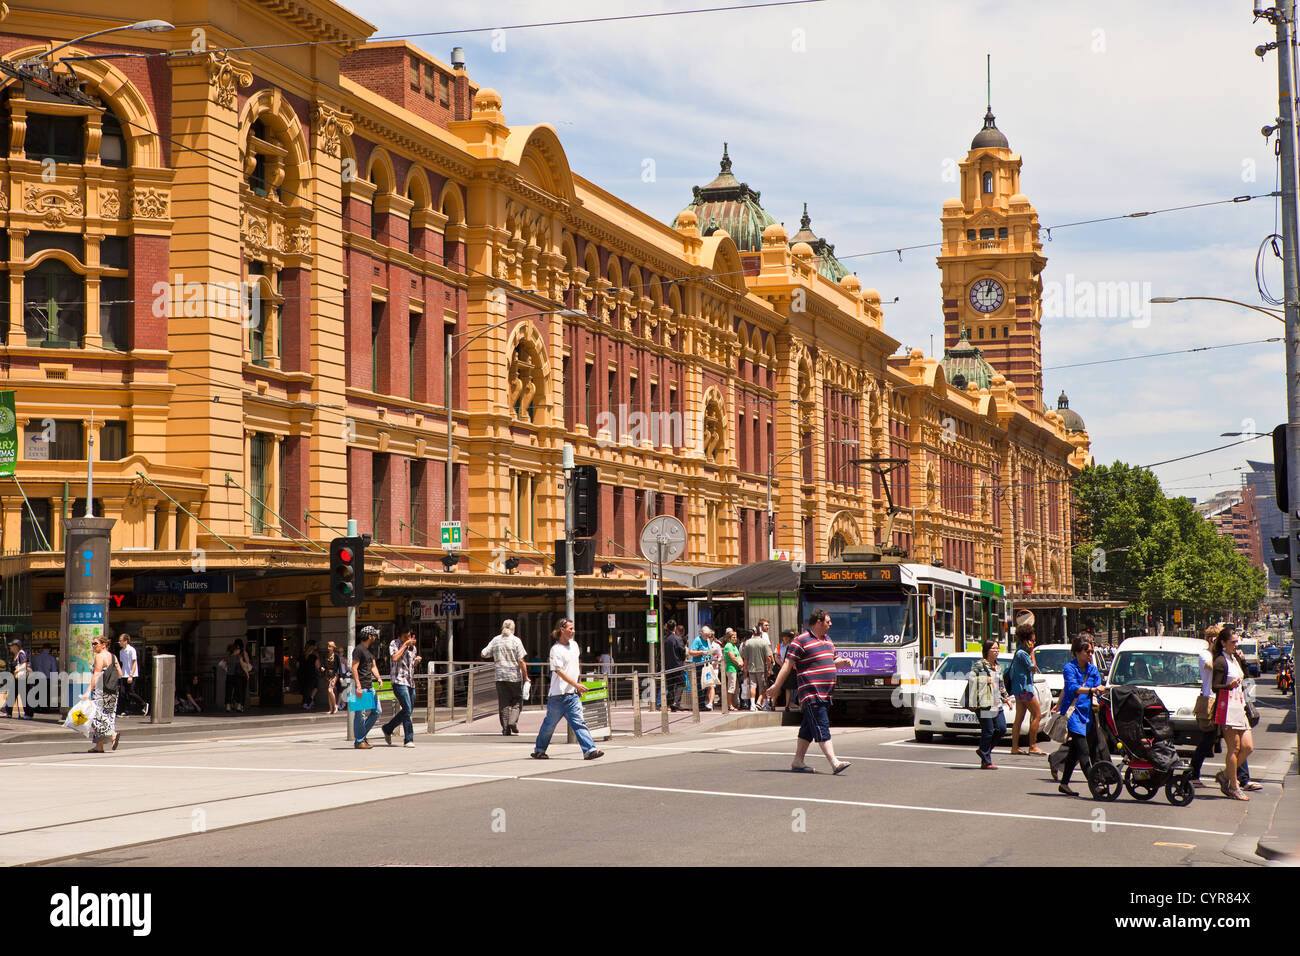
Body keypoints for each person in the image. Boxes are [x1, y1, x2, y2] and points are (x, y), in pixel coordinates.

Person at [765, 609, 852, 774]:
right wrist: (777, 686)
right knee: (821, 725)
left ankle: (798, 761)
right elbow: (787, 665)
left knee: (808, 727)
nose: (831, 624)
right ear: (818, 622)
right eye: (828, 621)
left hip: (826, 693)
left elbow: (834, 660)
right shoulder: (800, 641)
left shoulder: (828, 640)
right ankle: (834, 762)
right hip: (812, 693)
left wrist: (843, 662)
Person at [1191, 624, 1262, 792]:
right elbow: (1212, 668)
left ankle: (1241, 778)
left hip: (1231, 703)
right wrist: (1223, 656)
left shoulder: (1230, 657)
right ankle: (1194, 774)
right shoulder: (1207, 655)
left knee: (1237, 745)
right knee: (1208, 741)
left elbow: (1245, 676)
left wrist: (1238, 659)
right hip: (1213, 702)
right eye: (1214, 638)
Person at [530, 618, 603, 761]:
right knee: (549, 725)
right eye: (570, 629)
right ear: (562, 630)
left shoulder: (575, 646)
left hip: (572, 694)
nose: (573, 631)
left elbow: (577, 666)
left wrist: (579, 683)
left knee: (579, 722)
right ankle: (539, 750)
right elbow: (559, 671)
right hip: (558, 695)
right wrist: (576, 685)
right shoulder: (555, 649)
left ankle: (590, 750)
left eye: (573, 628)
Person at [1056, 635, 1108, 797]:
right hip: (1073, 715)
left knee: (1075, 752)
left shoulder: (1092, 669)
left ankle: (1064, 784)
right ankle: (1095, 787)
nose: (1090, 654)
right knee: (1084, 752)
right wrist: (1093, 690)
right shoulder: (1069, 668)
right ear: (1077, 652)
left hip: (1089, 714)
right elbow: (1073, 688)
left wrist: (1098, 690)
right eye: (1087, 651)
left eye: (1091, 651)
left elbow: (1099, 685)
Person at [1212, 626, 1254, 801]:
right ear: (1223, 643)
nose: (1236, 645)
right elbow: (1215, 686)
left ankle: (1225, 775)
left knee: (1248, 747)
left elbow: (1248, 677)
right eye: (1233, 642)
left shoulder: (1235, 658)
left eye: (1237, 642)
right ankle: (1233, 786)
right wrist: (1228, 686)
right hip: (1228, 709)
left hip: (1240, 707)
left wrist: (1243, 660)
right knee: (1235, 748)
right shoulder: (1221, 661)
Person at [968, 639, 1011, 769]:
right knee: (988, 731)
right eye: (994, 649)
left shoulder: (998, 666)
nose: (996, 651)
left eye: (998, 649)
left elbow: (1001, 684)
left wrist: (1006, 699)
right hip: (984, 703)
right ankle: (986, 759)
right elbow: (970, 679)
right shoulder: (979, 665)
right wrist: (985, 679)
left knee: (1001, 729)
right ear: (987, 650)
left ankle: (983, 751)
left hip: (996, 704)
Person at [481, 619, 528, 735]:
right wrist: (526, 676)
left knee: (504, 703)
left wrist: (496, 654)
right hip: (514, 677)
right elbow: (521, 660)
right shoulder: (516, 641)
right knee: (517, 700)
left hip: (500, 676)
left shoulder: (496, 640)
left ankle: (506, 728)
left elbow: (483, 654)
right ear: (513, 628)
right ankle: (512, 721)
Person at [1008, 622, 1045, 755]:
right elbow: (1033, 667)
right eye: (1033, 641)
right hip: (1025, 690)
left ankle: (1014, 747)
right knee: (1037, 715)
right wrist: (1032, 652)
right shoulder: (1023, 653)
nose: (1034, 643)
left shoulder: (1018, 651)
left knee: (1019, 717)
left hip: (1019, 689)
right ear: (1026, 640)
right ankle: (1033, 746)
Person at [382, 626, 421, 747]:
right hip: (399, 681)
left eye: (409, 636)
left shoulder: (412, 647)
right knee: (407, 709)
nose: (408, 639)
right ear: (400, 636)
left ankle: (388, 728)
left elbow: (410, 665)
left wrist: (416, 661)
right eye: (405, 637)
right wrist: (404, 645)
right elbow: (394, 658)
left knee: (407, 710)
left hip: (410, 682)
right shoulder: (394, 643)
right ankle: (409, 739)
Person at [82, 636, 121, 753]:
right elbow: (120, 674)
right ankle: (99, 746)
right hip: (113, 690)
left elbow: (97, 675)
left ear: (103, 644)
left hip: (101, 690)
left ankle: (112, 735)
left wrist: (88, 690)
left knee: (96, 716)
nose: (93, 646)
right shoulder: (113, 657)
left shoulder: (99, 657)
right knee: (108, 716)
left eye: (95, 643)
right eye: (92, 644)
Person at [351, 625, 383, 749]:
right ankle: (359, 740)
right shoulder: (358, 649)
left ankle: (361, 736)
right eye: (374, 635)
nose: (375, 637)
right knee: (360, 715)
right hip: (360, 686)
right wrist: (358, 686)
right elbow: (354, 668)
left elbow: (373, 666)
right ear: (369, 636)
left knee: (377, 711)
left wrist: (379, 678)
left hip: (369, 686)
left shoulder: (371, 650)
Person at [741, 625, 774, 711]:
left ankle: (752, 705)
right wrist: (769, 668)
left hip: (751, 668)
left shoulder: (748, 642)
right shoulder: (763, 642)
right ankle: (764, 704)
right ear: (760, 633)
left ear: (753, 632)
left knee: (752, 686)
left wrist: (745, 669)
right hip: (762, 668)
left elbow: (745, 659)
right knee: (763, 687)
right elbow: (768, 658)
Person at [116, 634, 149, 717]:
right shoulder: (121, 651)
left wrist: (131, 675)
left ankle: (143, 704)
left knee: (130, 692)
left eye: (121, 640)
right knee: (123, 693)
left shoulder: (131, 650)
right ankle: (125, 710)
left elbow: (134, 663)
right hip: (124, 674)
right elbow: (122, 663)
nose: (119, 642)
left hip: (131, 674)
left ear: (125, 641)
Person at [662, 619, 687, 711]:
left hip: (668, 666)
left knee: (670, 685)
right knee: (681, 683)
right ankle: (676, 702)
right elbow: (682, 651)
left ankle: (672, 703)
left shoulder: (664, 639)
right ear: (675, 627)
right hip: (677, 665)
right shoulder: (677, 638)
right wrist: (683, 659)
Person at [3, 639, 31, 719]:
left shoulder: (21, 654)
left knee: (24, 695)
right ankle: (7, 711)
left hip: (22, 678)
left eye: (11, 646)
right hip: (17, 678)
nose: (10, 648)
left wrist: (16, 670)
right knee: (12, 694)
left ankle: (28, 714)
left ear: (16, 646)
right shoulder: (16, 655)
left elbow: (24, 664)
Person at [689, 626, 715, 710]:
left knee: (706, 684)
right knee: (700, 685)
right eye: (706, 635)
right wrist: (701, 652)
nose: (708, 637)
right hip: (699, 665)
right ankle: (700, 705)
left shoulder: (707, 640)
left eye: (708, 635)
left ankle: (702, 703)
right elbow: (691, 652)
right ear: (702, 634)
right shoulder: (697, 640)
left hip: (707, 665)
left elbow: (709, 650)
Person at [222, 639, 250, 713]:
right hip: (238, 676)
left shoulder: (228, 655)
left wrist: (228, 670)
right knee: (240, 691)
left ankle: (228, 707)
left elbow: (223, 665)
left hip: (229, 676)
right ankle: (239, 707)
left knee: (228, 691)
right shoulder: (239, 655)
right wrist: (247, 674)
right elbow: (243, 665)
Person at [321, 641, 346, 714]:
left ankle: (335, 705)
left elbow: (340, 667)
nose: (328, 648)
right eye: (328, 646)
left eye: (330, 646)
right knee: (329, 692)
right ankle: (331, 709)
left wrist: (341, 677)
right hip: (327, 674)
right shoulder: (326, 655)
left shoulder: (336, 655)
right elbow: (323, 664)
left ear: (333, 647)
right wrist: (322, 668)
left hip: (334, 675)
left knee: (330, 690)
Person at [723, 628, 744, 709]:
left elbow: (738, 656)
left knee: (735, 687)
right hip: (731, 668)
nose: (735, 638)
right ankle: (729, 704)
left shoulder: (734, 646)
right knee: (731, 687)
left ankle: (734, 703)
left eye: (736, 637)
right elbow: (732, 657)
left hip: (736, 668)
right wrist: (739, 664)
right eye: (733, 637)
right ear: (729, 638)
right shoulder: (728, 646)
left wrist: (741, 663)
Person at [298, 640, 319, 711]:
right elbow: (318, 665)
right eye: (316, 645)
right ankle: (309, 701)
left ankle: (305, 702)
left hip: (303, 674)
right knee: (315, 687)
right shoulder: (314, 655)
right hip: (312, 674)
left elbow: (297, 665)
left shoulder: (302, 655)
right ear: (313, 646)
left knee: (305, 689)